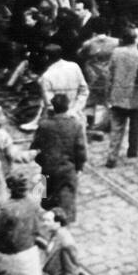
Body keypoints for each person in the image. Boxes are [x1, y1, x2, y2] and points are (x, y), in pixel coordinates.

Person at [31, 93, 88, 223]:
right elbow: (81, 150)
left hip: (48, 169)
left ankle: (46, 222)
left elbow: (35, 147)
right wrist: (79, 167)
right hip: (67, 169)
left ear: (53, 107)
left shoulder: (44, 125)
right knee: (66, 200)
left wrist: (42, 162)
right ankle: (63, 223)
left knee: (46, 199)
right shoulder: (76, 125)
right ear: (67, 106)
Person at [104, 27, 138, 167]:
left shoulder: (116, 52)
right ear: (135, 39)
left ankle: (112, 157)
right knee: (136, 127)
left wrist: (109, 94)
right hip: (134, 98)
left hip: (117, 96)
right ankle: (132, 153)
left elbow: (109, 74)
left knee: (116, 129)